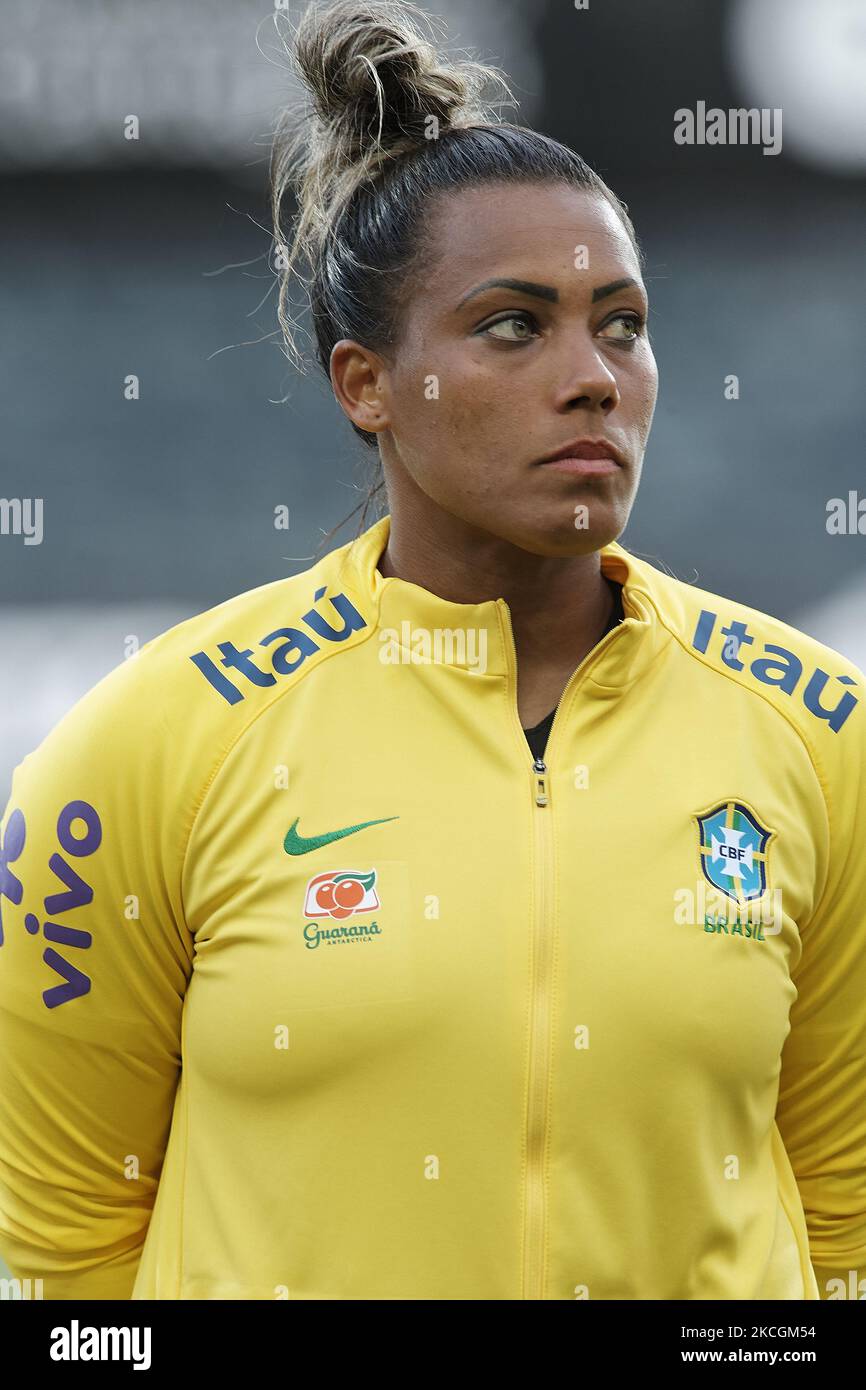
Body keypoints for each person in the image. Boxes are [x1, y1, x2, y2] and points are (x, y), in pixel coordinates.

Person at [1, 0, 864, 1301]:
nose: (591, 377)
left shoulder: (823, 731)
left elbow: (843, 1224)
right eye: (513, 326)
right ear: (366, 384)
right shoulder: (146, 746)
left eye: (619, 324)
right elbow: (68, 1259)